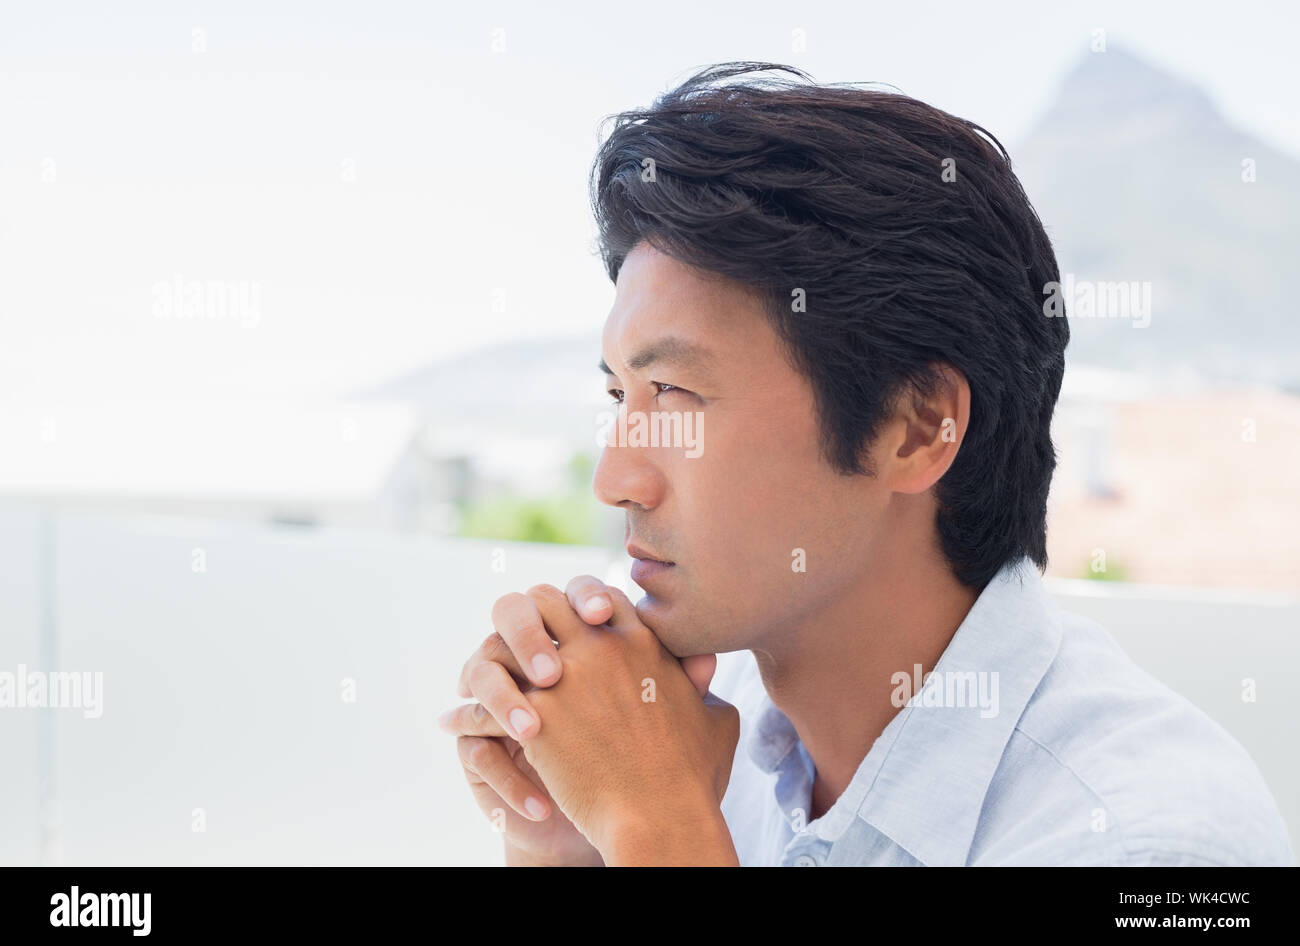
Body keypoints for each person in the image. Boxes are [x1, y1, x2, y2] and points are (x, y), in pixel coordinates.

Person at [437, 61, 1295, 866]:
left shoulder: (1156, 845)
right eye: (622, 398)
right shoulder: (683, 728)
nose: (615, 479)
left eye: (674, 395)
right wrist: (575, 847)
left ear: (918, 428)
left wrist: (656, 831)